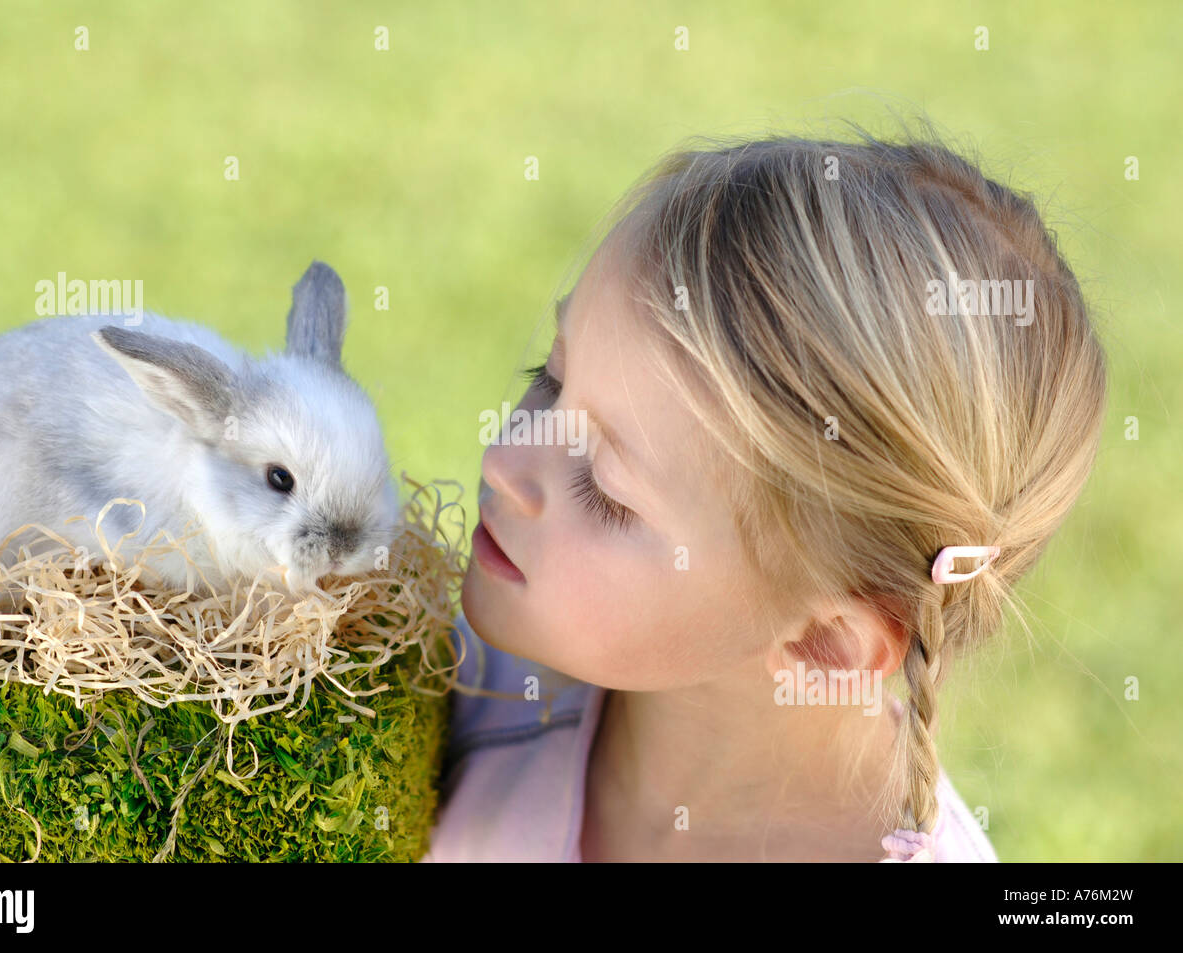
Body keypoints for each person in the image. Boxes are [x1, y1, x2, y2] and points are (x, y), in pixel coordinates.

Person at [422, 123, 1107, 862]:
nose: (507, 461)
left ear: (827, 646)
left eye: (607, 491)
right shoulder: (437, 687)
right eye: (549, 379)